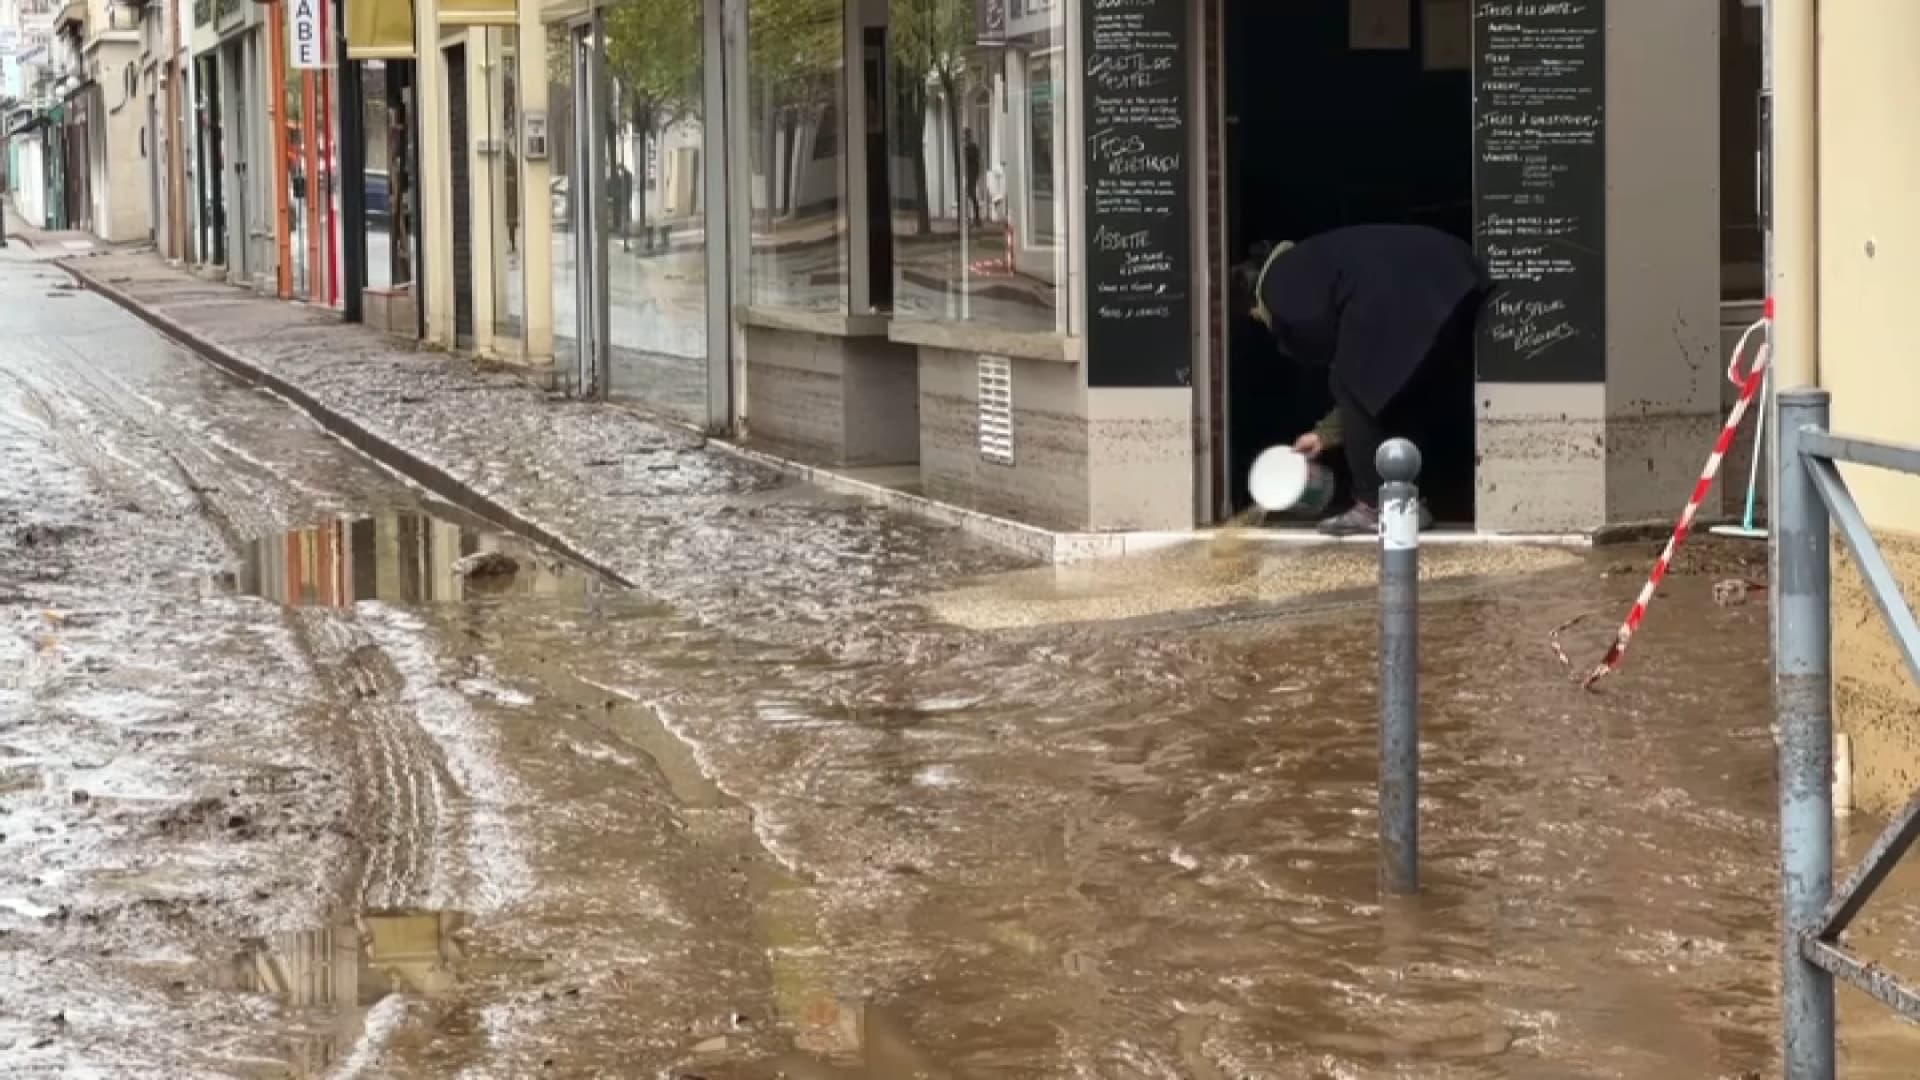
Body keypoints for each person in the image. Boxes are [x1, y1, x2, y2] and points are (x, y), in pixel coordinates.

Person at [1243, 223, 1489, 535]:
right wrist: (1324, 435)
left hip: (1404, 292)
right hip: (1455, 273)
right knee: (1404, 386)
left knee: (1351, 382)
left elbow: (1338, 364)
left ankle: (1374, 505)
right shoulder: (1312, 260)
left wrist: (1331, 418)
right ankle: (1409, 501)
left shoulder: (1280, 285)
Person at [962, 128, 983, 227]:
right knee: (969, 196)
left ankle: (975, 218)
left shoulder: (971, 148)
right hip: (970, 174)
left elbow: (972, 161)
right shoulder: (968, 147)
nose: (965, 138)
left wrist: (973, 175)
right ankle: (972, 218)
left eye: (966, 136)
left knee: (971, 195)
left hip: (971, 174)